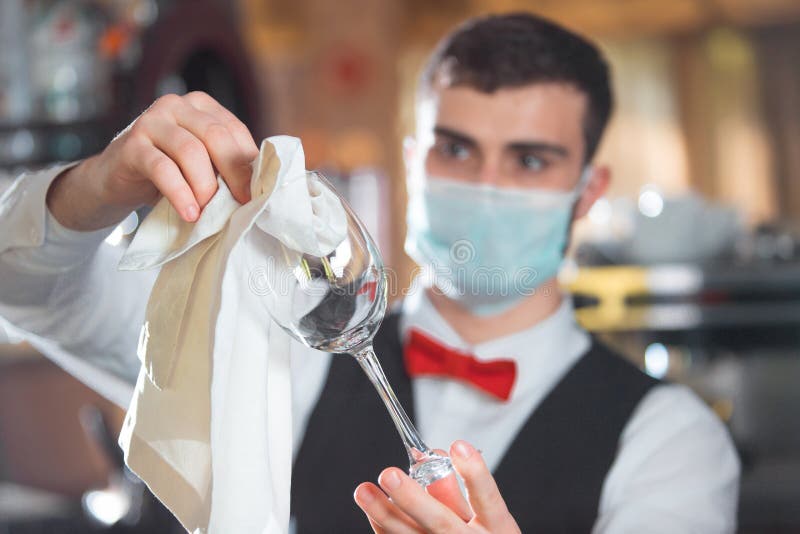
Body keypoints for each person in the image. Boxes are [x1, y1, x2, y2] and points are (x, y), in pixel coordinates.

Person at [0, 12, 739, 534]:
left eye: (530, 159)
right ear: (413, 162)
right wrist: (98, 186)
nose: (485, 184)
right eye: (455, 149)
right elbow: (25, 291)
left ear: (590, 191)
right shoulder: (290, 342)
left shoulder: (672, 440)